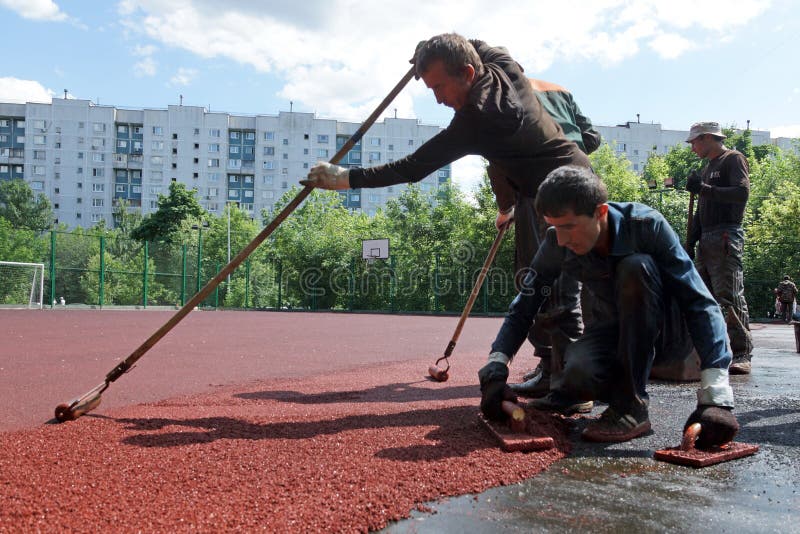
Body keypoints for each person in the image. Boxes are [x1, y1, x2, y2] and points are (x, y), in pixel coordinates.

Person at [302, 33, 593, 411]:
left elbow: (411, 168)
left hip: (563, 195)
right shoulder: (503, 65)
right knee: (534, 283)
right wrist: (427, 49)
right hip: (542, 191)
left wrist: (345, 179)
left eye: (439, 86)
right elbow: (478, 43)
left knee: (557, 294)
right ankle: (553, 372)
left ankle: (576, 391)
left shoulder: (479, 120)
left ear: (468, 73)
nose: (437, 98)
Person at [478, 166, 739, 445]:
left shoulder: (646, 226)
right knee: (577, 374)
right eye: (554, 227)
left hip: (667, 339)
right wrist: (496, 367)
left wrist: (716, 396)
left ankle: (631, 406)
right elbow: (525, 304)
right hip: (613, 332)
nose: (562, 239)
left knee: (635, 267)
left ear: (600, 213)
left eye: (569, 226)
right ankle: (592, 390)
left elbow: (700, 303)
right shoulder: (558, 241)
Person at [510, 78, 602, 396]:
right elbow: (591, 137)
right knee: (587, 276)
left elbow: (501, 158)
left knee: (539, 277)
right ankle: (590, 364)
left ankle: (555, 370)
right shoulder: (559, 89)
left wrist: (503, 206)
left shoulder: (502, 91)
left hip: (539, 190)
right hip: (582, 182)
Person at [685, 122, 754, 374]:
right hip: (707, 237)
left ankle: (742, 353)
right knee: (705, 298)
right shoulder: (708, 167)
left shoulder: (732, 159)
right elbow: (702, 211)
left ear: (707, 138)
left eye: (694, 142)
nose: (692, 148)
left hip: (726, 234)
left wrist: (703, 189)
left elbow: (741, 193)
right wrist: (691, 240)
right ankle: (713, 352)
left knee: (730, 295)